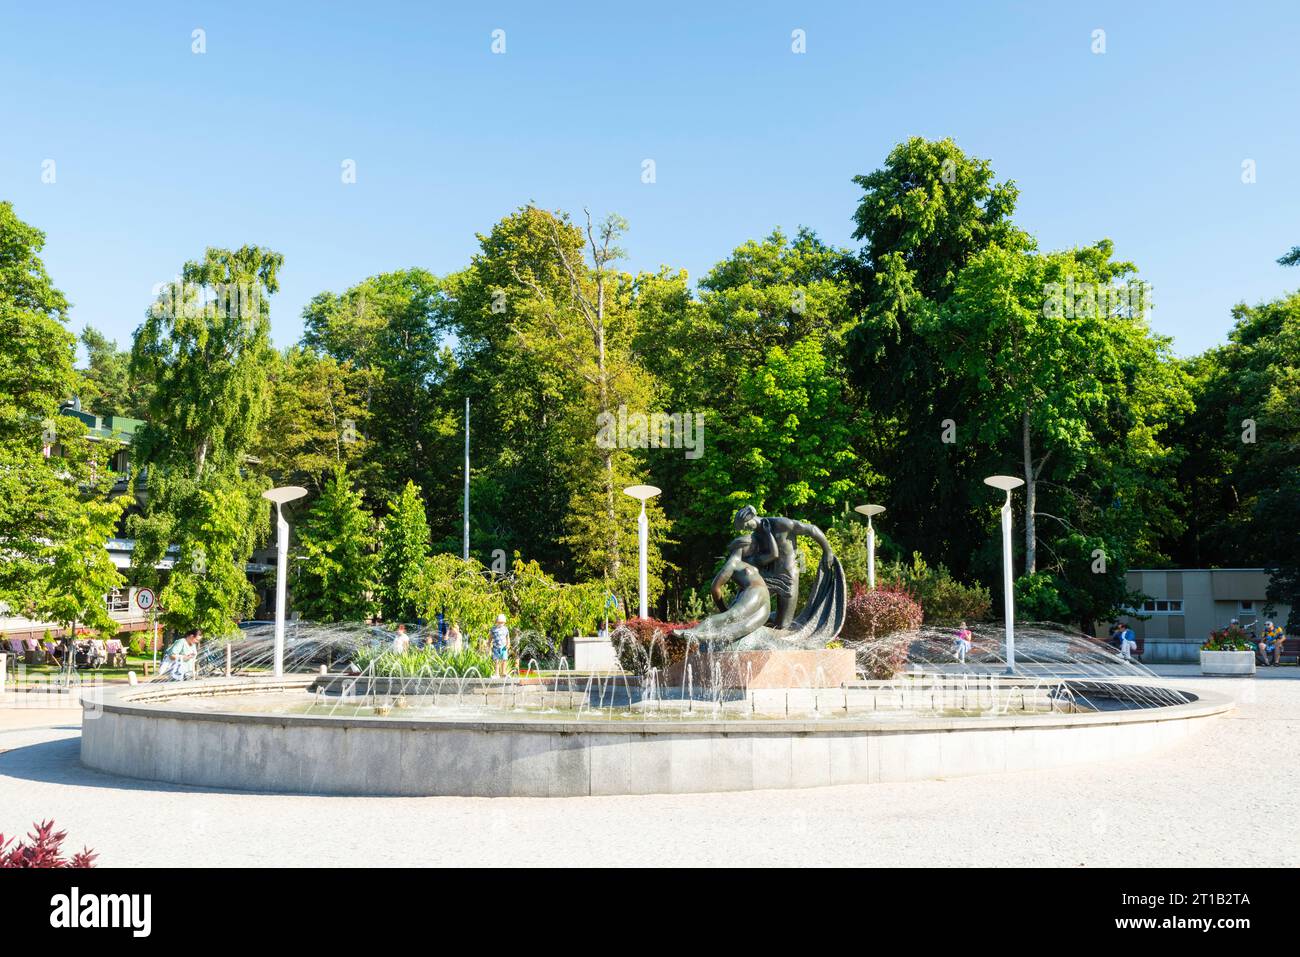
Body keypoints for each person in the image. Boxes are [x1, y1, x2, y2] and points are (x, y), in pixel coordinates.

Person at [490, 614, 511, 678]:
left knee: (504, 659)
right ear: (496, 622)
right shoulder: (493, 629)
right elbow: (490, 637)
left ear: (504, 622)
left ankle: (503, 673)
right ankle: (497, 674)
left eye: (502, 622)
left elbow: (508, 638)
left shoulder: (505, 629)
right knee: (496, 660)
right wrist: (488, 643)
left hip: (504, 647)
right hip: (496, 647)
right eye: (499, 622)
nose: (500, 624)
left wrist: (508, 644)